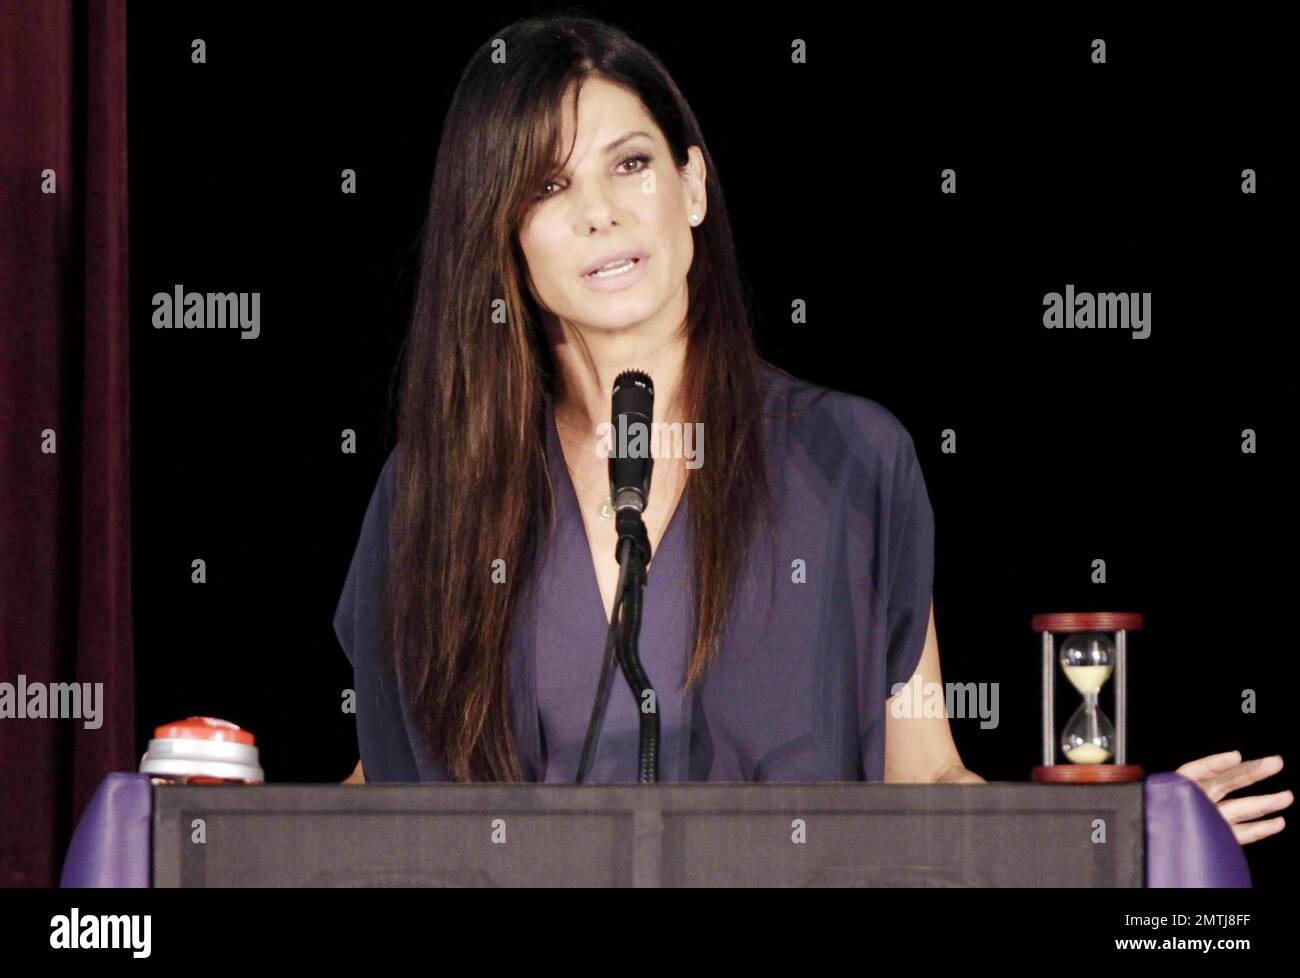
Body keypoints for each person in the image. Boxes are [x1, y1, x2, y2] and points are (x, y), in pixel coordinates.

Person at [333, 15, 1291, 847]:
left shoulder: (853, 460)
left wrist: (1105, 830)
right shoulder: (433, 491)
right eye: (546, 186)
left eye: (630, 164)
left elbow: (926, 778)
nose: (600, 214)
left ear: (693, 187)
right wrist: (205, 822)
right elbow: (389, 790)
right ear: (500, 237)